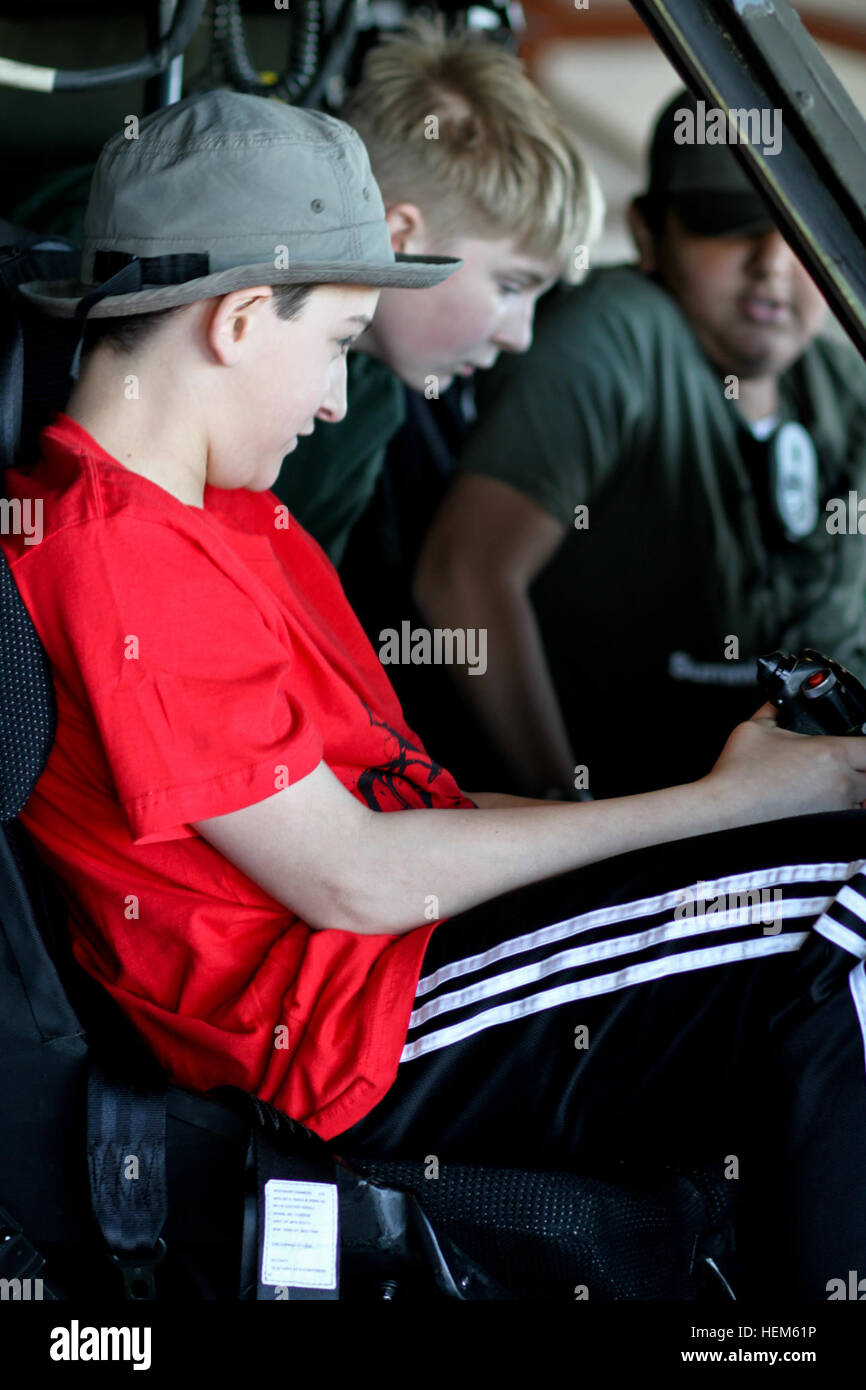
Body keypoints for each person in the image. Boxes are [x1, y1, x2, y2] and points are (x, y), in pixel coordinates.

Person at [3, 89, 866, 1301]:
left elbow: (413, 805)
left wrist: (728, 803)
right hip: (352, 1025)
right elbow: (349, 873)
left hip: (398, 961)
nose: (334, 402)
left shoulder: (235, 524)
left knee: (821, 862)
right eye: (342, 345)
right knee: (835, 904)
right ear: (243, 319)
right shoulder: (120, 554)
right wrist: (721, 806)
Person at [413, 89, 866, 801]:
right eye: (729, 225)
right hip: (628, 836)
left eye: (801, 227)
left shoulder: (843, 385)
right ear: (650, 234)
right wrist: (565, 811)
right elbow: (462, 573)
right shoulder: (618, 331)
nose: (773, 262)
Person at [270, 14, 603, 566]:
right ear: (401, 238)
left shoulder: (374, 398)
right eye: (511, 286)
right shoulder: (258, 377)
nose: (519, 336)